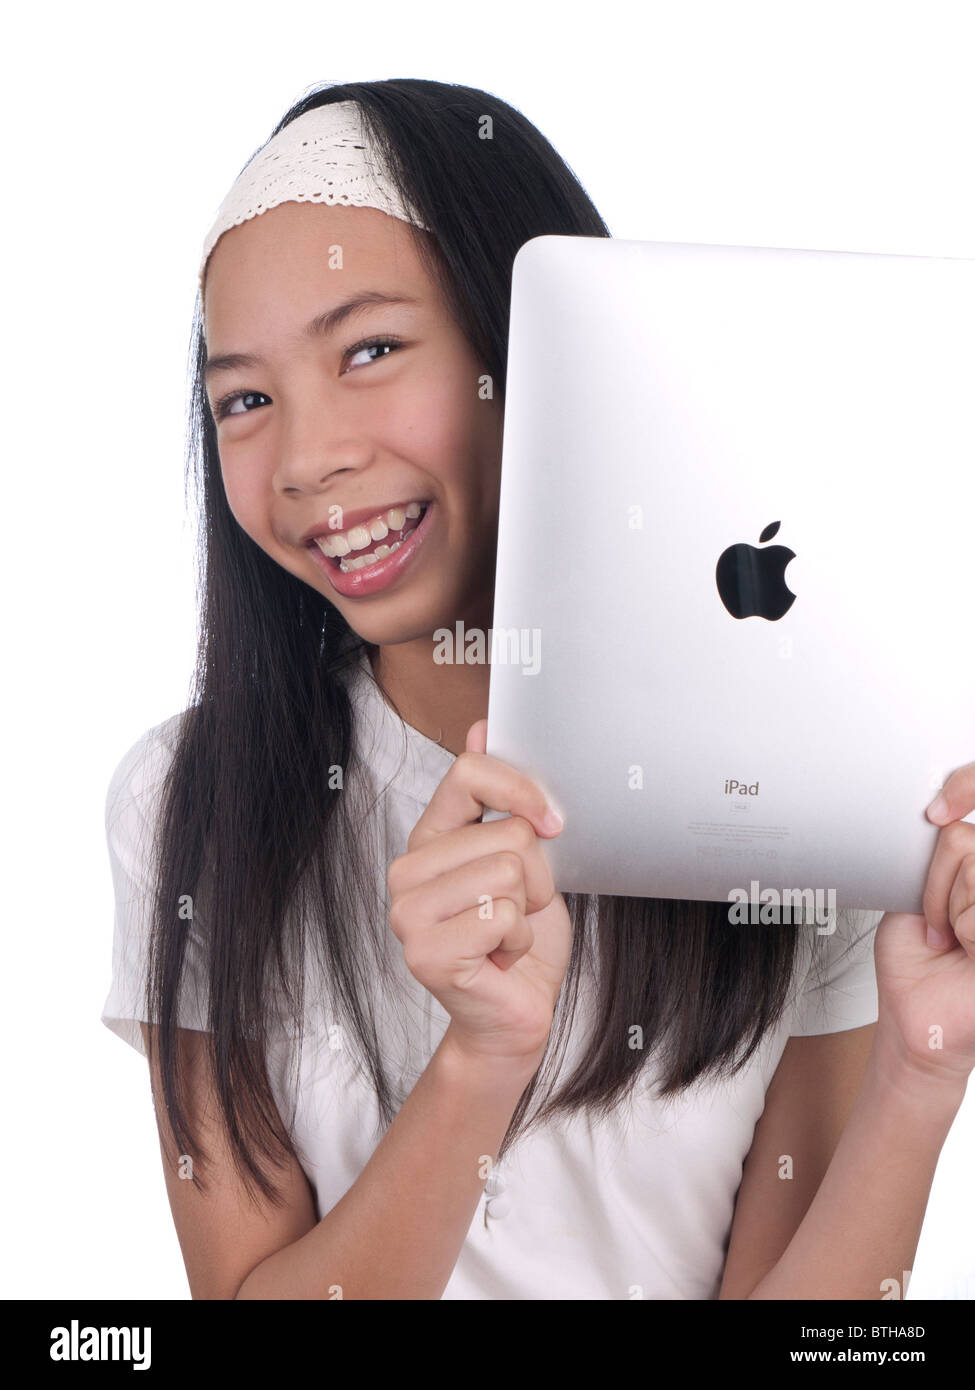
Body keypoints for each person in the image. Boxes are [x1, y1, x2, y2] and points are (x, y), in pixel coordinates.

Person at [101, 78, 975, 1301]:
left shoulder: (800, 800)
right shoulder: (187, 805)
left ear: (527, 356)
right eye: (245, 398)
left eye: (371, 349)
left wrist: (923, 1075)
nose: (308, 460)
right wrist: (480, 1063)